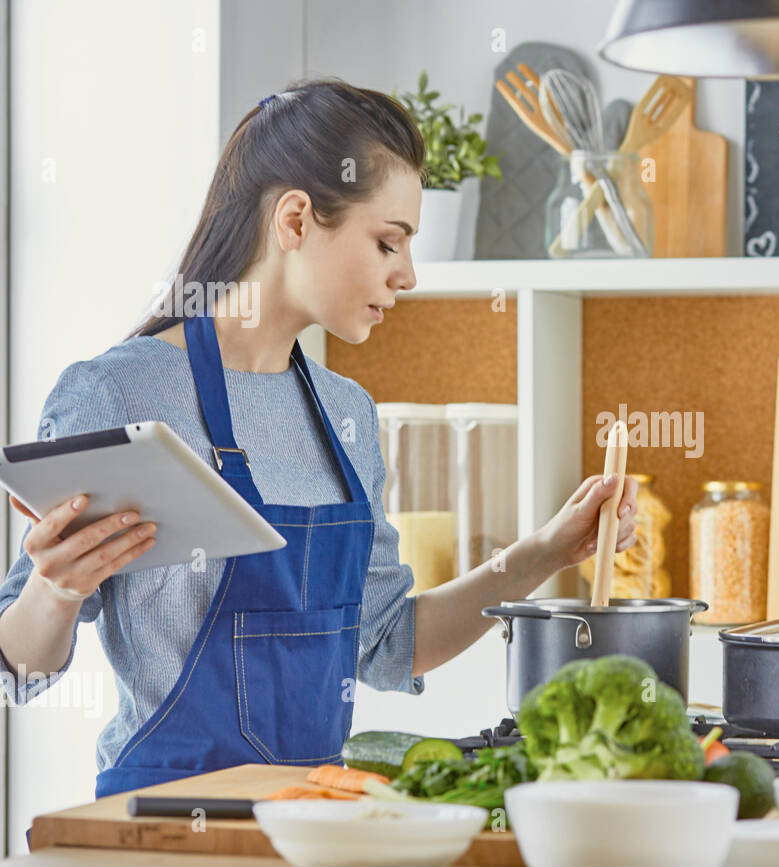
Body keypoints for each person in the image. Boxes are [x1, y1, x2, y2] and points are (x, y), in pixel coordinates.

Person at [0, 79, 638, 799]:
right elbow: (15, 668)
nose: (408, 275)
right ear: (297, 219)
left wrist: (547, 552)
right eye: (387, 241)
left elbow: (390, 642)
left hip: (319, 817)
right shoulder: (116, 394)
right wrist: (54, 591)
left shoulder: (347, 414)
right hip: (161, 826)